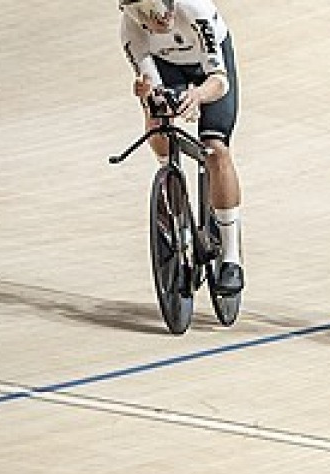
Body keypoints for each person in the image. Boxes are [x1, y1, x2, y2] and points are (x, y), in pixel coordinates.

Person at [119, 0, 245, 296]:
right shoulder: (129, 29)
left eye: (160, 11)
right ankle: (172, 189)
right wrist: (150, 95)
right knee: (157, 124)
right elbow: (152, 83)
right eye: (146, 15)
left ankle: (231, 258)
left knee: (216, 148)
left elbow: (219, 81)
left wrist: (198, 96)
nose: (158, 19)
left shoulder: (195, 9)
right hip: (167, 68)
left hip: (209, 70)